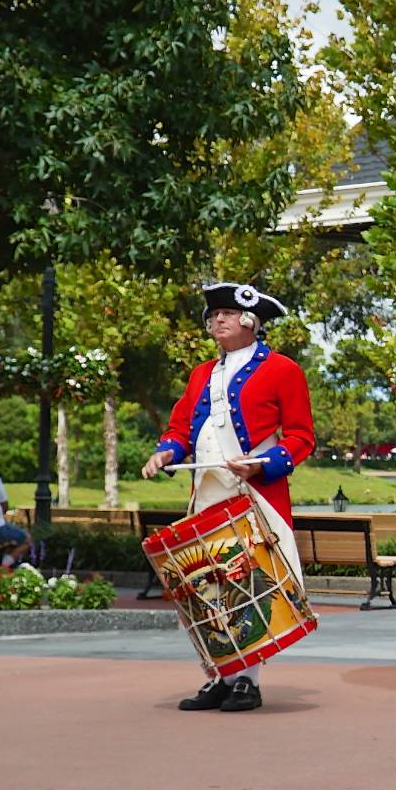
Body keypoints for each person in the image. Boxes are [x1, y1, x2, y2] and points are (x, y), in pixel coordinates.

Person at [142, 283, 316, 713]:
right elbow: (181, 428)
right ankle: (223, 676)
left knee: (249, 584)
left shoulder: (283, 370)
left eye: (225, 313)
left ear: (250, 321)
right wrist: (165, 451)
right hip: (207, 497)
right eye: (212, 315)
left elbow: (301, 437)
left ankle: (248, 683)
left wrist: (263, 463)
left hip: (255, 494)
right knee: (208, 587)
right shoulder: (201, 374)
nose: (216, 320)